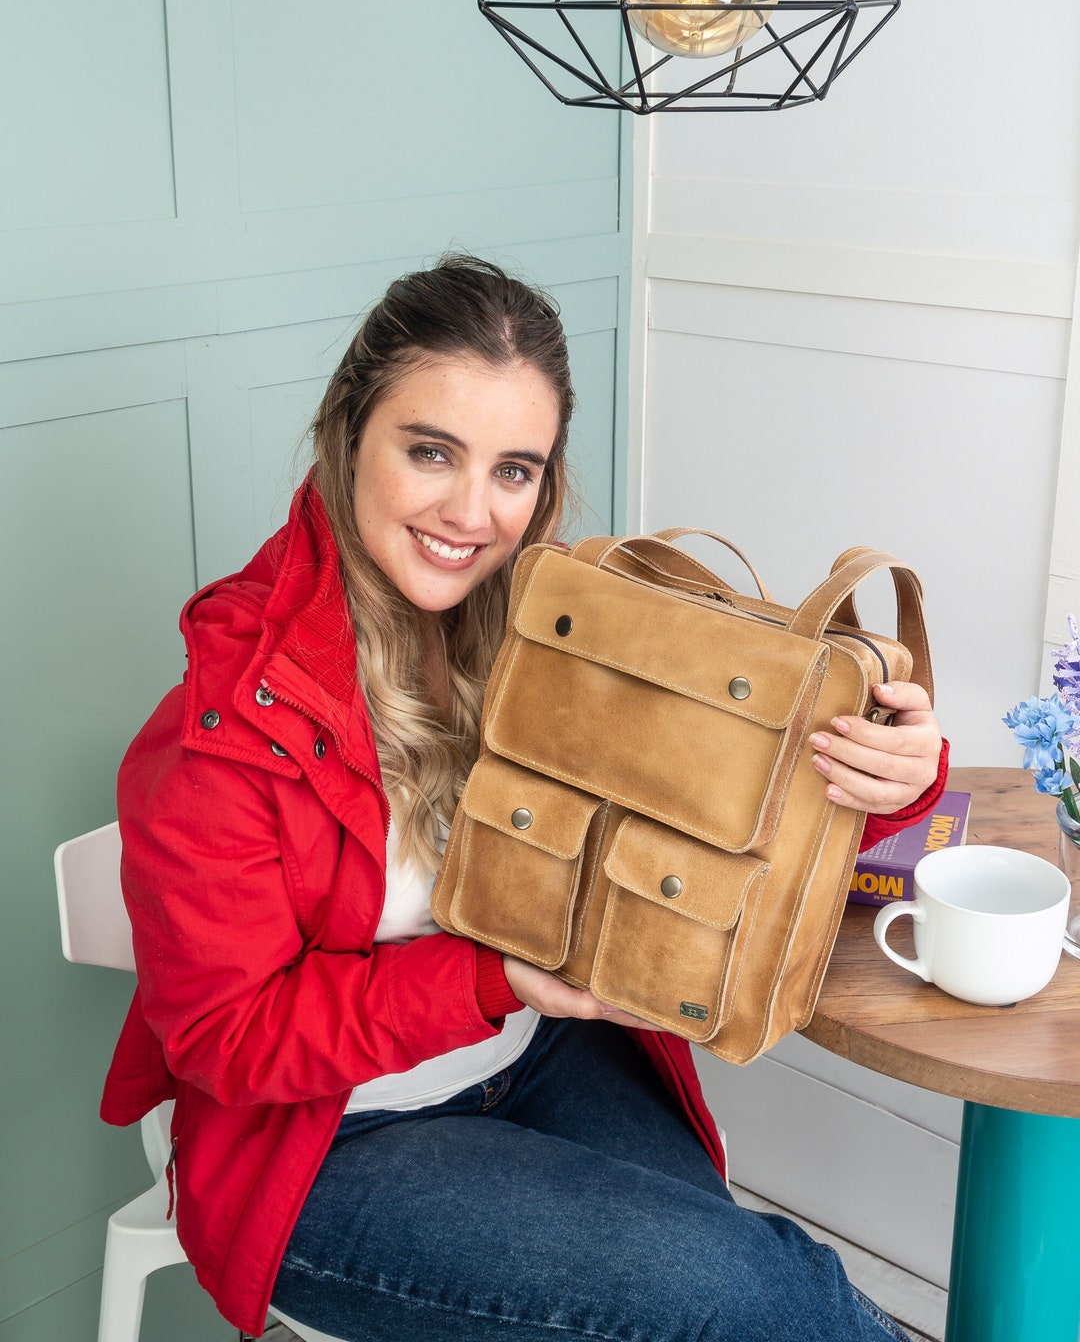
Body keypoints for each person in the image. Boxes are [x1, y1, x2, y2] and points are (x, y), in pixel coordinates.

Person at [101, 254, 948, 1342]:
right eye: (429, 452)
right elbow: (229, 1039)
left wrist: (884, 776)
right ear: (347, 432)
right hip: (329, 1142)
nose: (471, 511)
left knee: (730, 1296)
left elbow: (724, 796)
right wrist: (494, 976)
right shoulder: (230, 719)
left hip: (544, 1056)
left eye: (514, 471)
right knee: (762, 1297)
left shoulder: (561, 632)